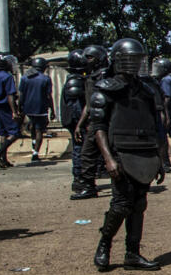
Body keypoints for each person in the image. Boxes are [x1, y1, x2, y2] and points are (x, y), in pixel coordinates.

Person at [88, 38, 167, 271]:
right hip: (120, 153)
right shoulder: (105, 89)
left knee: (139, 204)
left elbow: (155, 127)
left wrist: (159, 159)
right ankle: (104, 245)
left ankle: (132, 253)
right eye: (130, 60)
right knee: (121, 204)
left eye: (138, 60)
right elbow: (98, 128)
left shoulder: (147, 90)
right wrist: (109, 159)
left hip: (144, 153)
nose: (134, 64)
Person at [71, 45, 110, 198]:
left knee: (92, 153)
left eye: (90, 57)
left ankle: (89, 185)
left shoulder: (105, 76)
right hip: (95, 120)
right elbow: (89, 104)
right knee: (88, 153)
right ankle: (88, 184)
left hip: (105, 120)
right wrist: (80, 124)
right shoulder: (91, 77)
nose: (86, 60)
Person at [0, 53, 22, 169]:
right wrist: (14, 111)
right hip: (6, 107)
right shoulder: (7, 77)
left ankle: (3, 159)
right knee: (15, 133)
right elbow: (10, 95)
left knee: (3, 133)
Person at [60, 49, 88, 185]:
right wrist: (80, 124)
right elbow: (76, 107)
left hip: (77, 121)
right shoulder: (75, 81)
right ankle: (79, 178)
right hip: (76, 122)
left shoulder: (78, 79)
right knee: (79, 148)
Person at [19, 56, 54, 163]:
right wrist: (52, 110)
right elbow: (49, 96)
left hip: (28, 108)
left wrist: (20, 108)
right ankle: (35, 153)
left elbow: (21, 94)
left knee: (33, 128)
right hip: (41, 108)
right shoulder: (46, 79)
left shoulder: (25, 78)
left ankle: (34, 144)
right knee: (39, 130)